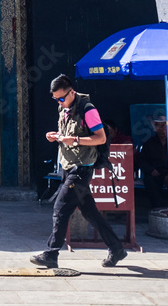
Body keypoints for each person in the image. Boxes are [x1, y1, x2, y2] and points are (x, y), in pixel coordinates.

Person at [30, 74, 126, 269]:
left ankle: (51, 253)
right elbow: (69, 134)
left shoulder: (88, 110)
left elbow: (99, 138)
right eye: (56, 99)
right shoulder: (64, 109)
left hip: (82, 169)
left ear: (71, 92)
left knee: (60, 207)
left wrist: (74, 140)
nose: (59, 102)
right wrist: (56, 136)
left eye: (62, 98)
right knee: (90, 212)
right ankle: (117, 248)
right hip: (69, 165)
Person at [139, 115, 168, 208]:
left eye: (164, 126)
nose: (162, 129)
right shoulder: (149, 144)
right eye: (159, 126)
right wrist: (151, 170)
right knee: (150, 183)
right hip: (155, 173)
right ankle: (158, 208)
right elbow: (142, 161)